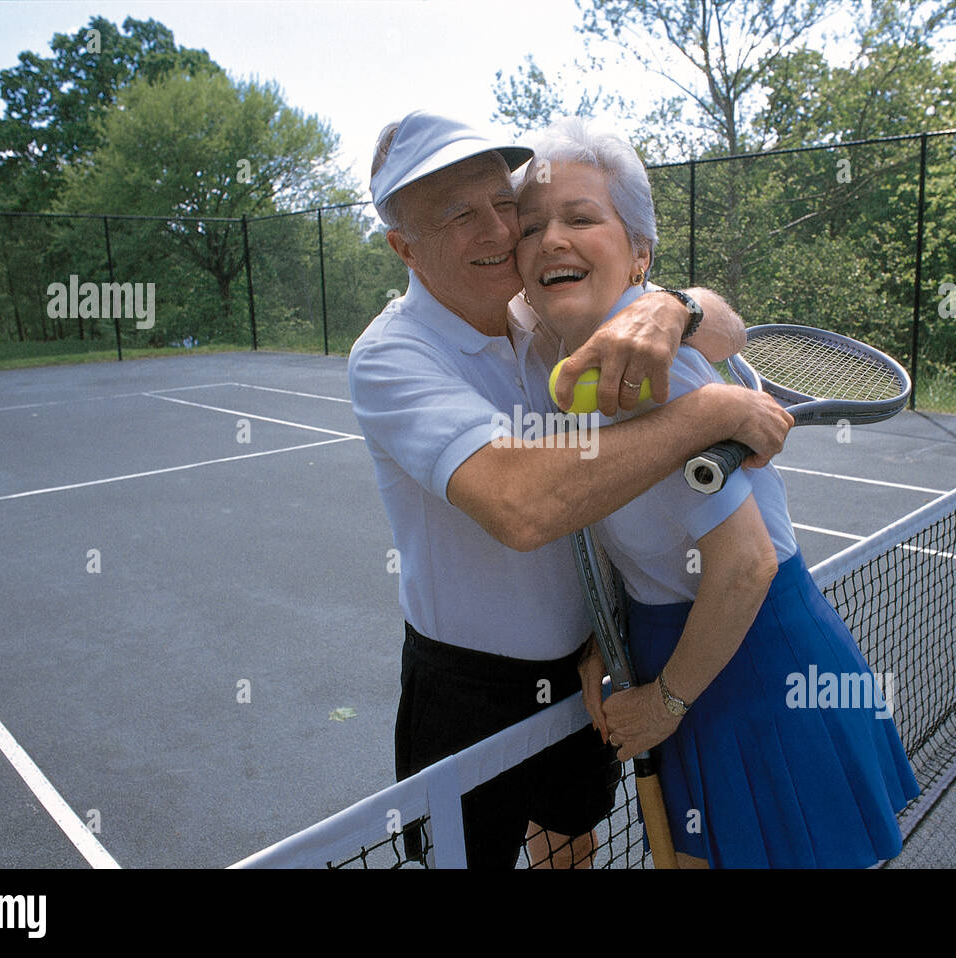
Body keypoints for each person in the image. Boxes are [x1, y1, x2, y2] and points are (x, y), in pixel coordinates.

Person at [348, 111, 793, 869]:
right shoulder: (392, 358)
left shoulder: (543, 317)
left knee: (572, 841)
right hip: (463, 687)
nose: (495, 231)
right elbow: (525, 508)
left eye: (501, 204)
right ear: (404, 248)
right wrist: (712, 410)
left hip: (585, 661)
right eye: (458, 215)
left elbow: (731, 329)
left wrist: (670, 306)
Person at [513, 116, 921, 868]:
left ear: (639, 254)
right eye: (531, 226)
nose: (550, 240)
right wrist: (613, 651)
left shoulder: (656, 374)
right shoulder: (555, 350)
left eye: (580, 217)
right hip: (679, 661)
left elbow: (746, 566)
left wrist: (666, 700)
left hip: (754, 668)